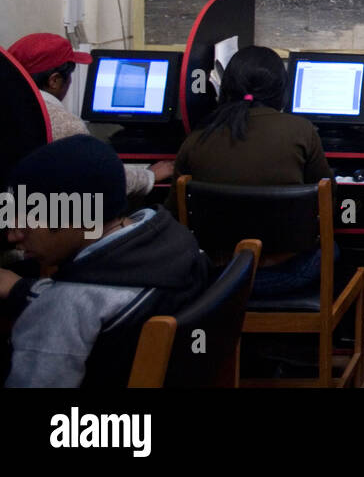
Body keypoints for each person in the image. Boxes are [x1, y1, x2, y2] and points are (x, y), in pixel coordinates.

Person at [0, 135, 208, 388]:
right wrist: (22, 290)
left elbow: (74, 308)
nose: (13, 234)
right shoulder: (174, 239)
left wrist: (51, 305)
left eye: (26, 221)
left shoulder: (62, 311)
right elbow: (95, 301)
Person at [167, 45, 333, 296]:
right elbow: (328, 198)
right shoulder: (301, 131)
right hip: (285, 273)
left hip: (218, 279)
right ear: (282, 89)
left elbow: (174, 214)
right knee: (341, 249)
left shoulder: (196, 139)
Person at [9, 32, 172, 195]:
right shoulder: (65, 124)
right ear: (54, 80)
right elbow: (102, 178)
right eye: (70, 76)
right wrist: (149, 176)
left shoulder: (9, 107)